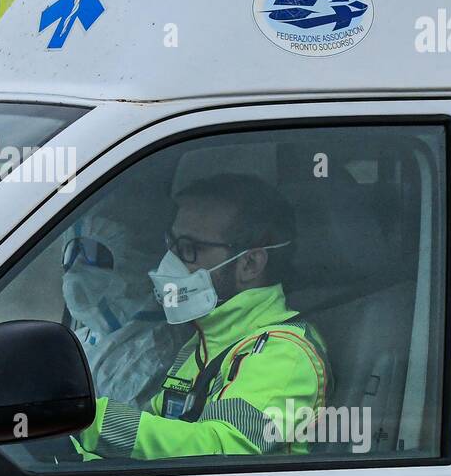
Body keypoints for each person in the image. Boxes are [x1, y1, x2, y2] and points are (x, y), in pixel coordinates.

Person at [75, 173, 329, 460]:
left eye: (189, 248)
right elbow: (149, 448)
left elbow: (219, 450)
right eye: (170, 243)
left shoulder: (284, 352)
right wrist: (66, 453)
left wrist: (87, 419)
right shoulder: (203, 343)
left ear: (249, 264)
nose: (168, 261)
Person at [60, 211, 187, 408]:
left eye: (93, 254)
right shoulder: (87, 336)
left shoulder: (153, 353)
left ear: (134, 265)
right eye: (72, 251)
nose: (74, 267)